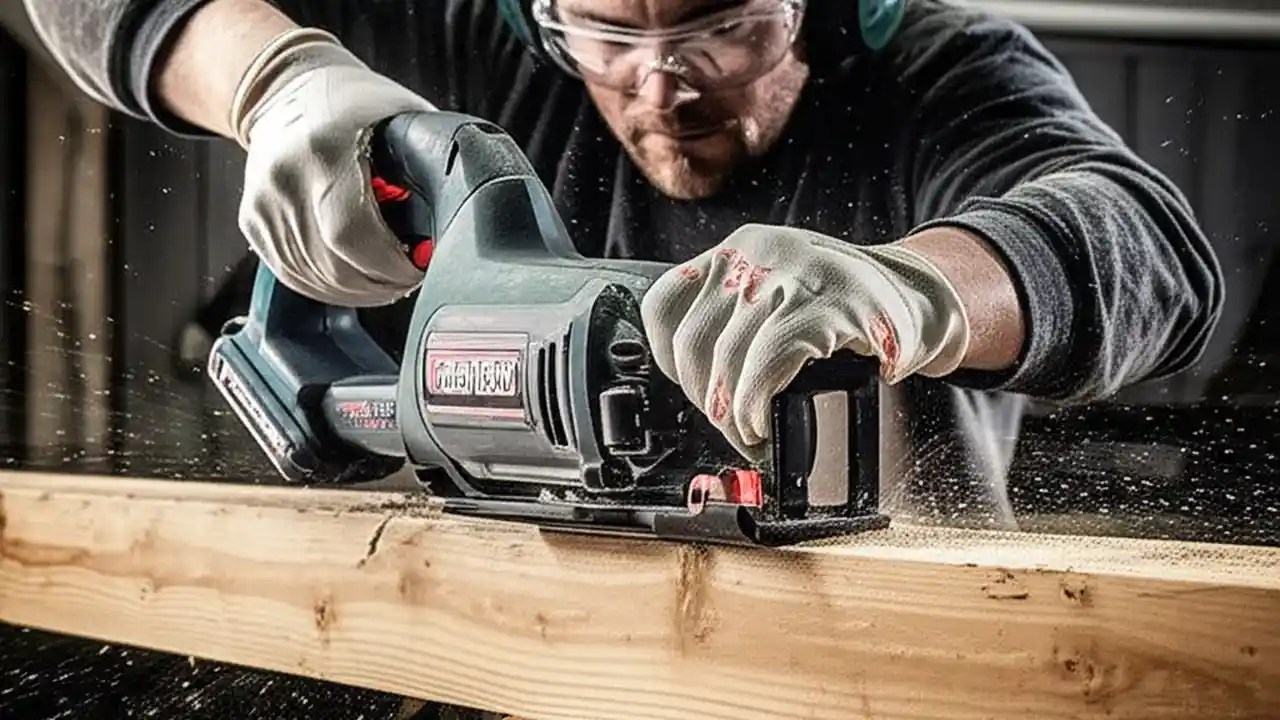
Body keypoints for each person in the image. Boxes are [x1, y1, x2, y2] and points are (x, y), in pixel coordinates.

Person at [25, 0, 1223, 526]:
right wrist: (273, 79)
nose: (663, 85)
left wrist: (918, 290)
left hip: (883, 646)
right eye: (606, 33)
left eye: (723, 30)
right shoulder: (475, 44)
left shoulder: (935, 71)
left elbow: (1151, 250)